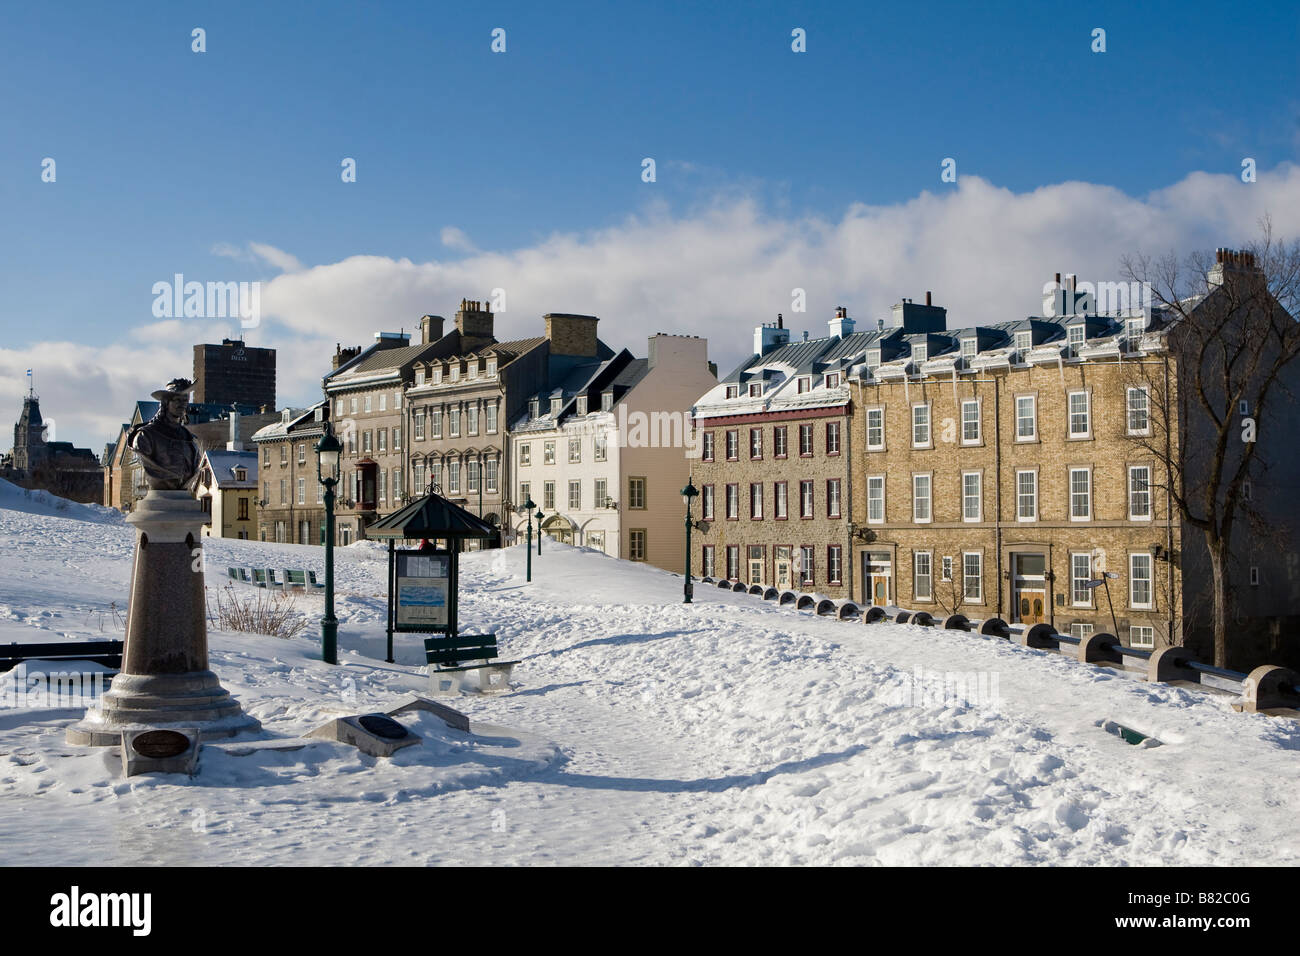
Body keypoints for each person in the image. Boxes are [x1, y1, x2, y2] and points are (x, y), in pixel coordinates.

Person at [127, 378, 202, 492]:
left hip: (183, 499)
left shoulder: (191, 439)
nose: (182, 404)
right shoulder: (146, 435)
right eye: (177, 400)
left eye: (185, 400)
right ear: (166, 403)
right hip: (160, 499)